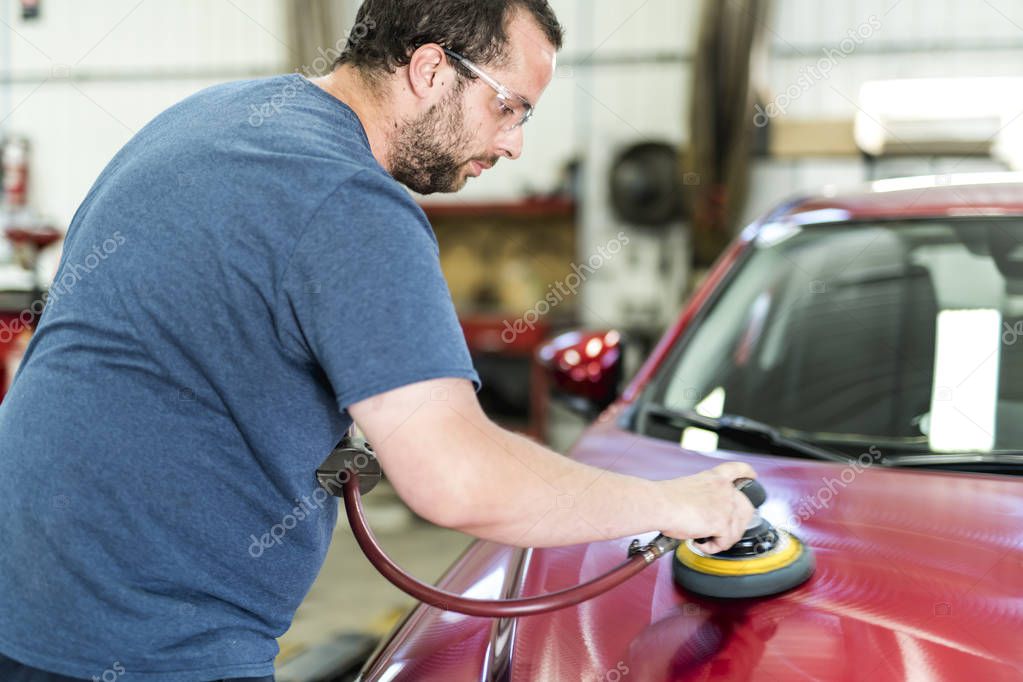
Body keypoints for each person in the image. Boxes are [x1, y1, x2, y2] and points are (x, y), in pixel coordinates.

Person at [0, 1, 756, 680]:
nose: (516, 143)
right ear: (430, 70)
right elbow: (457, 478)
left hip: (24, 598)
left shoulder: (216, 116)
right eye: (509, 108)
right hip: (144, 641)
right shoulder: (349, 201)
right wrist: (672, 504)